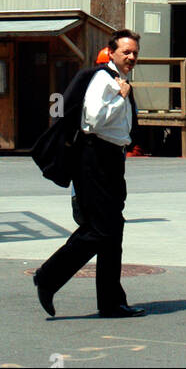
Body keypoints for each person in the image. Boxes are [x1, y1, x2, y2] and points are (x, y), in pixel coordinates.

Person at [33, 30, 145, 319]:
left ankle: (111, 302)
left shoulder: (119, 81)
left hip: (112, 159)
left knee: (113, 230)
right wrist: (121, 98)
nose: (131, 57)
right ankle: (48, 277)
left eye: (134, 52)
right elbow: (93, 121)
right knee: (100, 229)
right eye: (126, 52)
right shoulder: (103, 79)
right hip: (94, 158)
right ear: (111, 52)